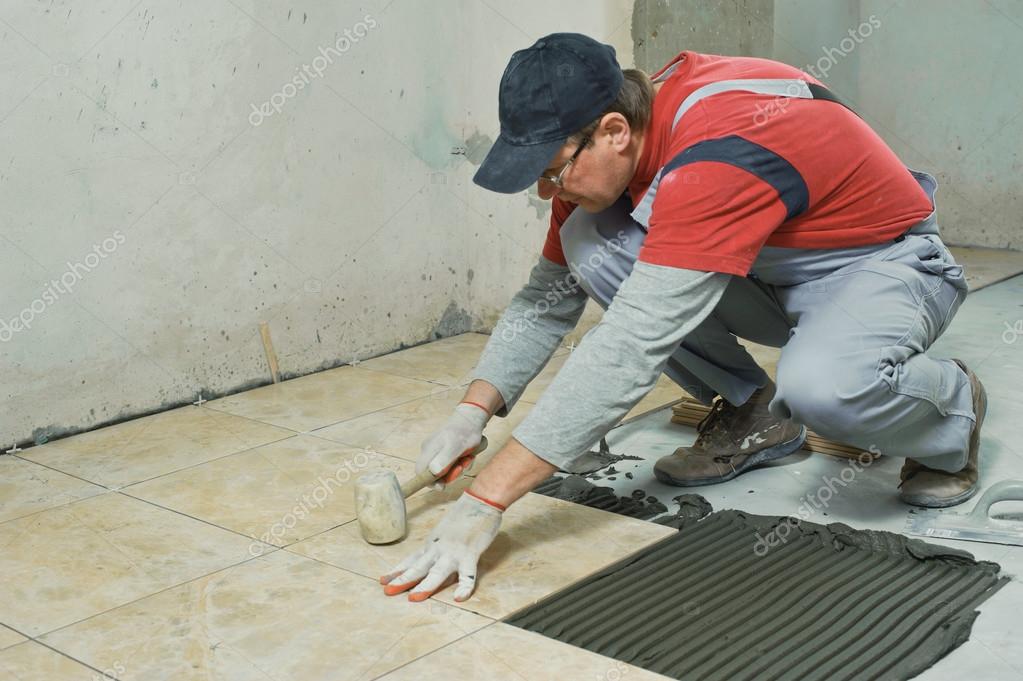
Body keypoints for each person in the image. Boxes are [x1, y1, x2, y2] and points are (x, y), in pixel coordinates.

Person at [379, 33, 984, 604]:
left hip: (877, 265)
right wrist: (472, 412)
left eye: (551, 172)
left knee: (824, 390)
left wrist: (486, 500)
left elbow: (633, 342)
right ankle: (752, 413)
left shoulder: (720, 148)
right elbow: (546, 300)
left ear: (614, 131)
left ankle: (953, 407)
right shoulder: (612, 150)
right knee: (593, 240)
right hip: (769, 268)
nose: (546, 192)